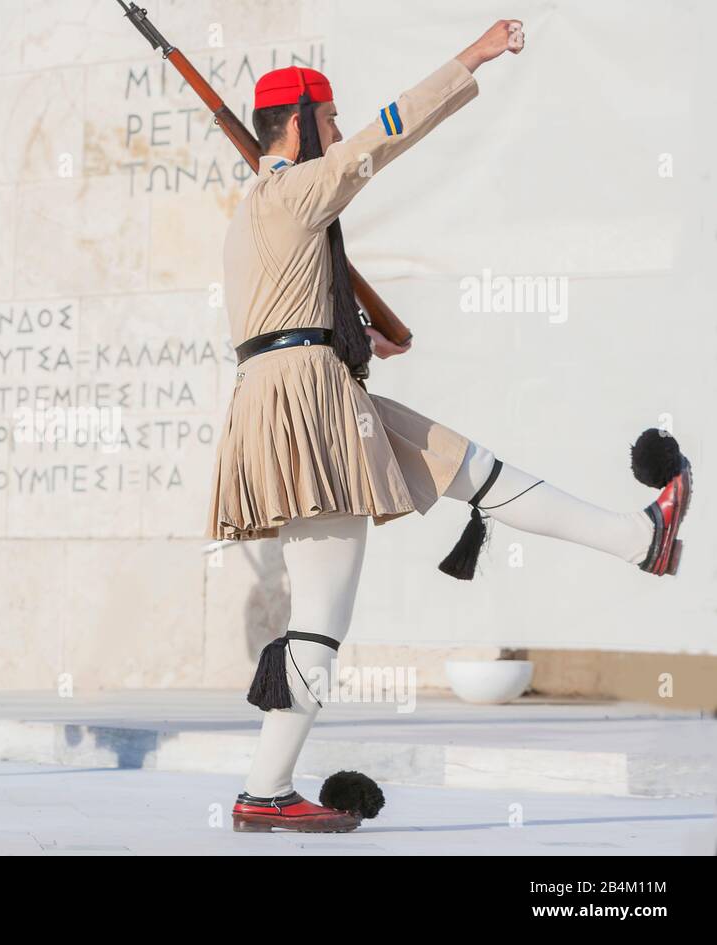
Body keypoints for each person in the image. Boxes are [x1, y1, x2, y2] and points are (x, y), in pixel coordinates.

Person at [206, 22, 693, 832]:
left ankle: (641, 540)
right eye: (327, 119)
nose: (338, 130)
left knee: (469, 466)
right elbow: (385, 136)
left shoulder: (259, 209)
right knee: (320, 619)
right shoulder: (297, 191)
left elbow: (290, 307)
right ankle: (265, 787)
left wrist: (363, 331)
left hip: (315, 387)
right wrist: (473, 56)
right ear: (297, 120)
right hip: (309, 409)